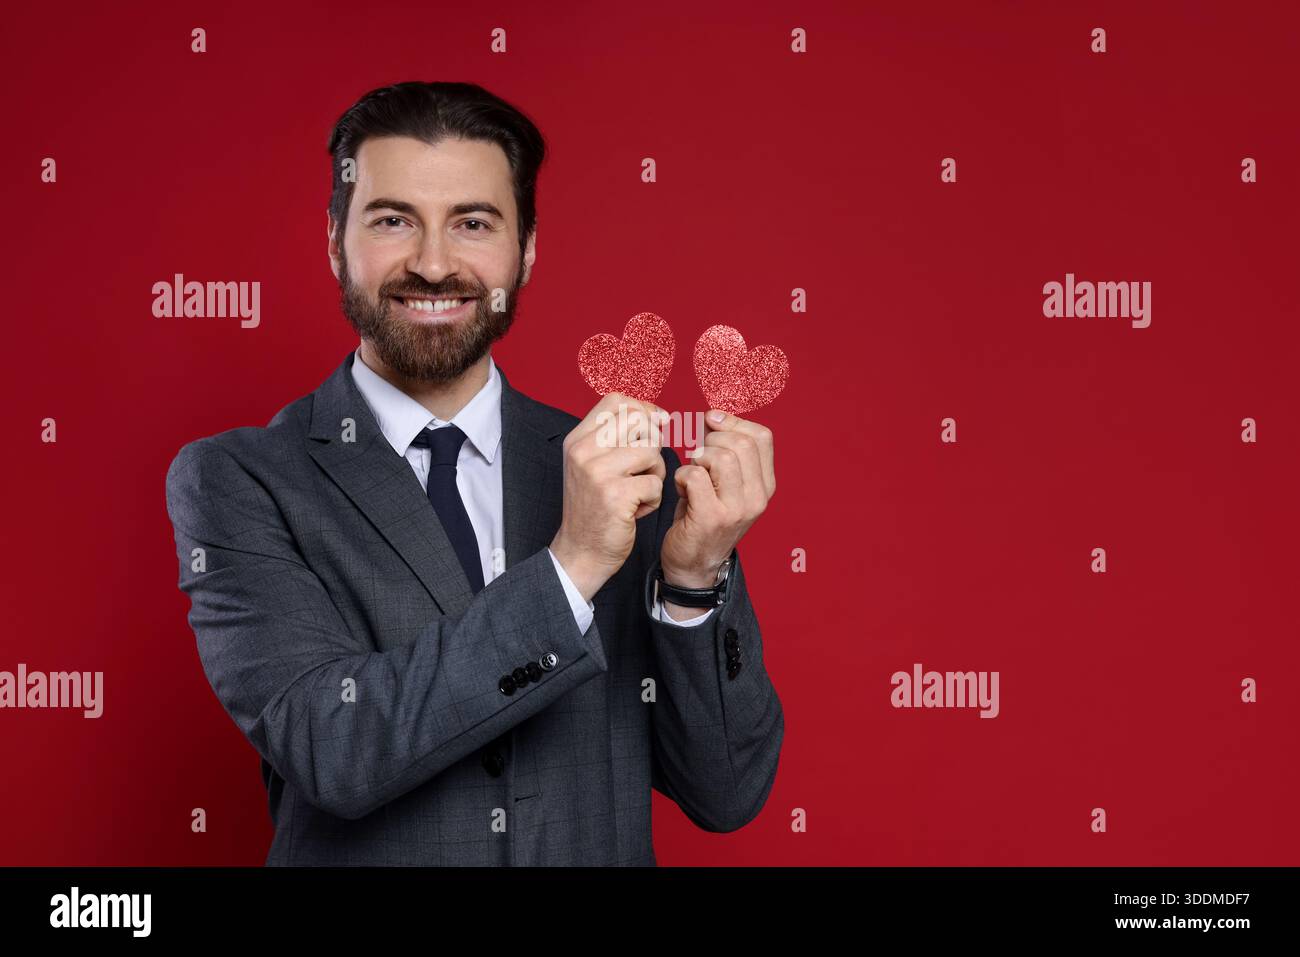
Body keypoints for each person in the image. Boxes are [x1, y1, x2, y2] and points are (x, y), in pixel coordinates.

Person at [164, 81, 783, 865]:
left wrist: (695, 581)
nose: (432, 263)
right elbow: (334, 745)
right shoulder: (239, 480)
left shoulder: (624, 471)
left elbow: (726, 791)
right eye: (393, 220)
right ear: (334, 241)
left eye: (473, 223)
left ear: (526, 248)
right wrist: (572, 567)